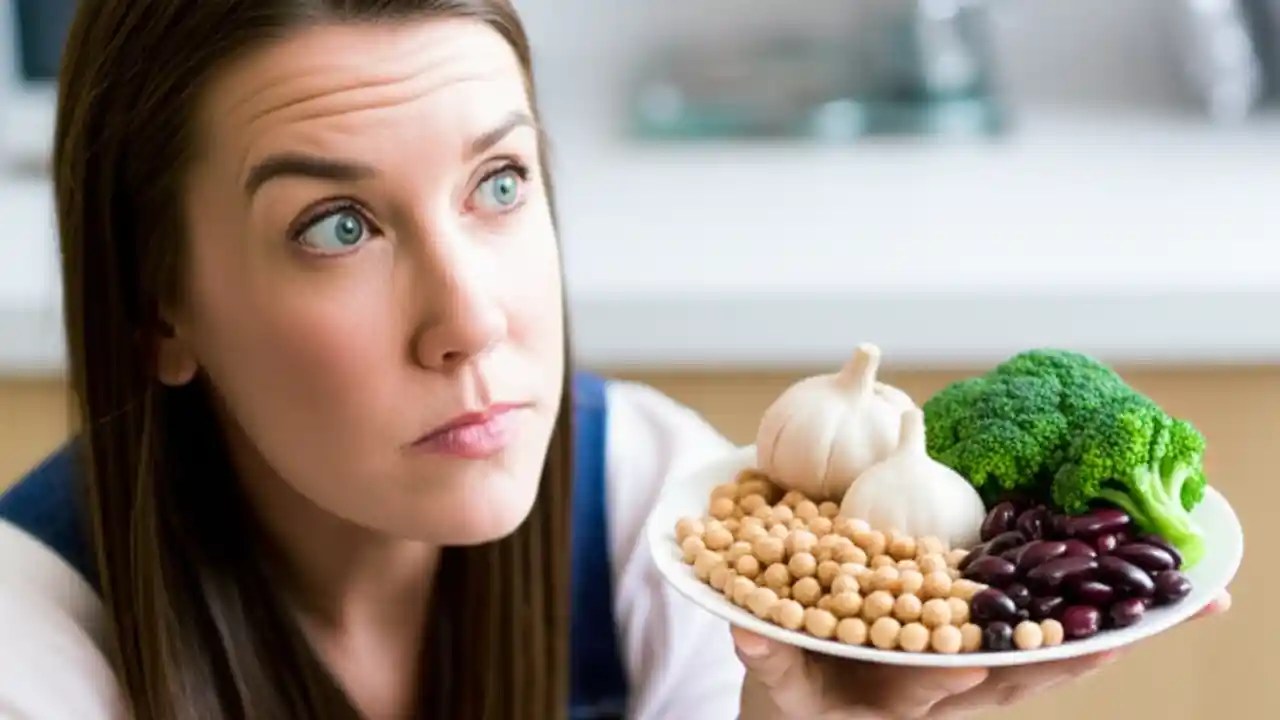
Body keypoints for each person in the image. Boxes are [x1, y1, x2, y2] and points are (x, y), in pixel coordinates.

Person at [0, 1, 1231, 718]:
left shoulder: (655, 507)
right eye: (338, 227)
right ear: (158, 308)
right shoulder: (35, 644)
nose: (471, 321)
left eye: (498, 183)